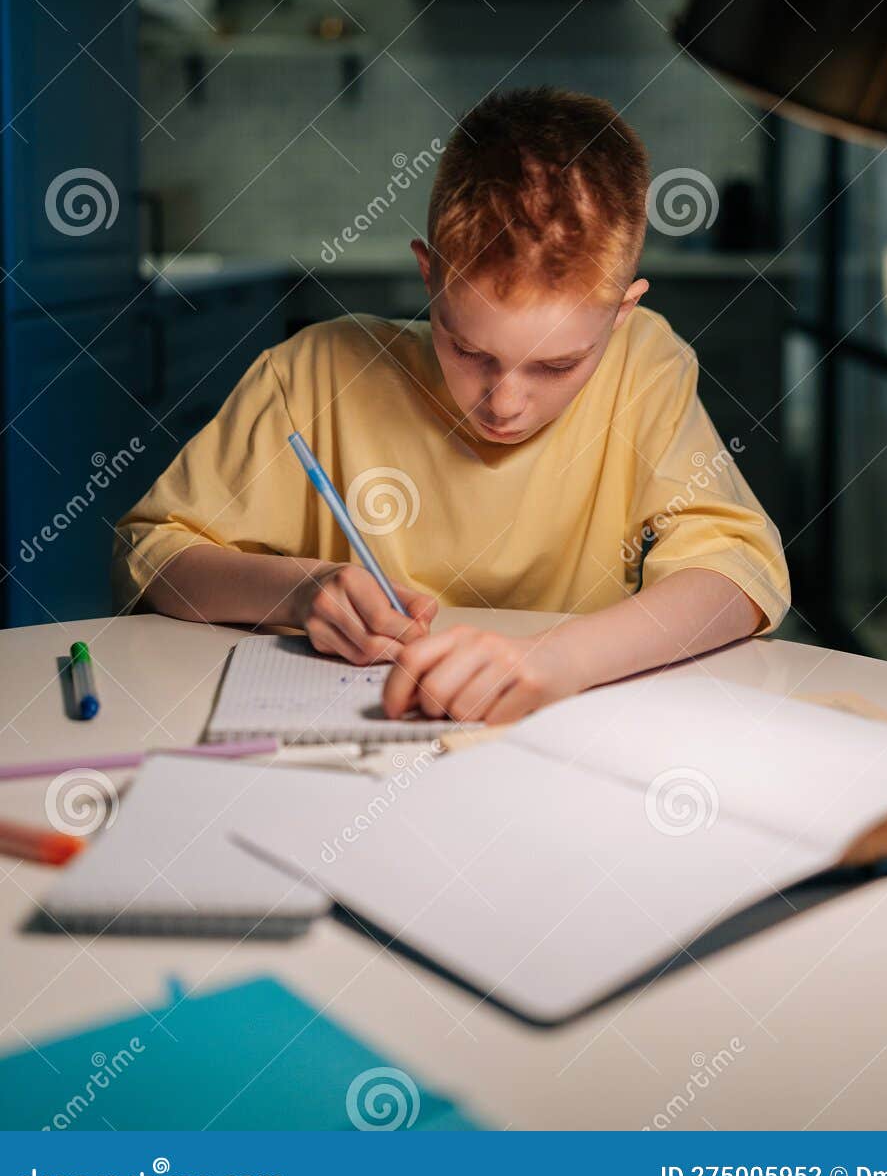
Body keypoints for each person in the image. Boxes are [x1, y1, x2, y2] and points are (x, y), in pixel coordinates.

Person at [113, 87, 789, 724]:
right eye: (468, 349)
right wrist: (300, 590)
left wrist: (563, 660)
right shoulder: (313, 374)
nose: (505, 404)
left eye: (557, 365)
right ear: (429, 273)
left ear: (622, 311)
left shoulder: (644, 363)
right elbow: (151, 558)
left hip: (563, 740)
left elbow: (737, 574)